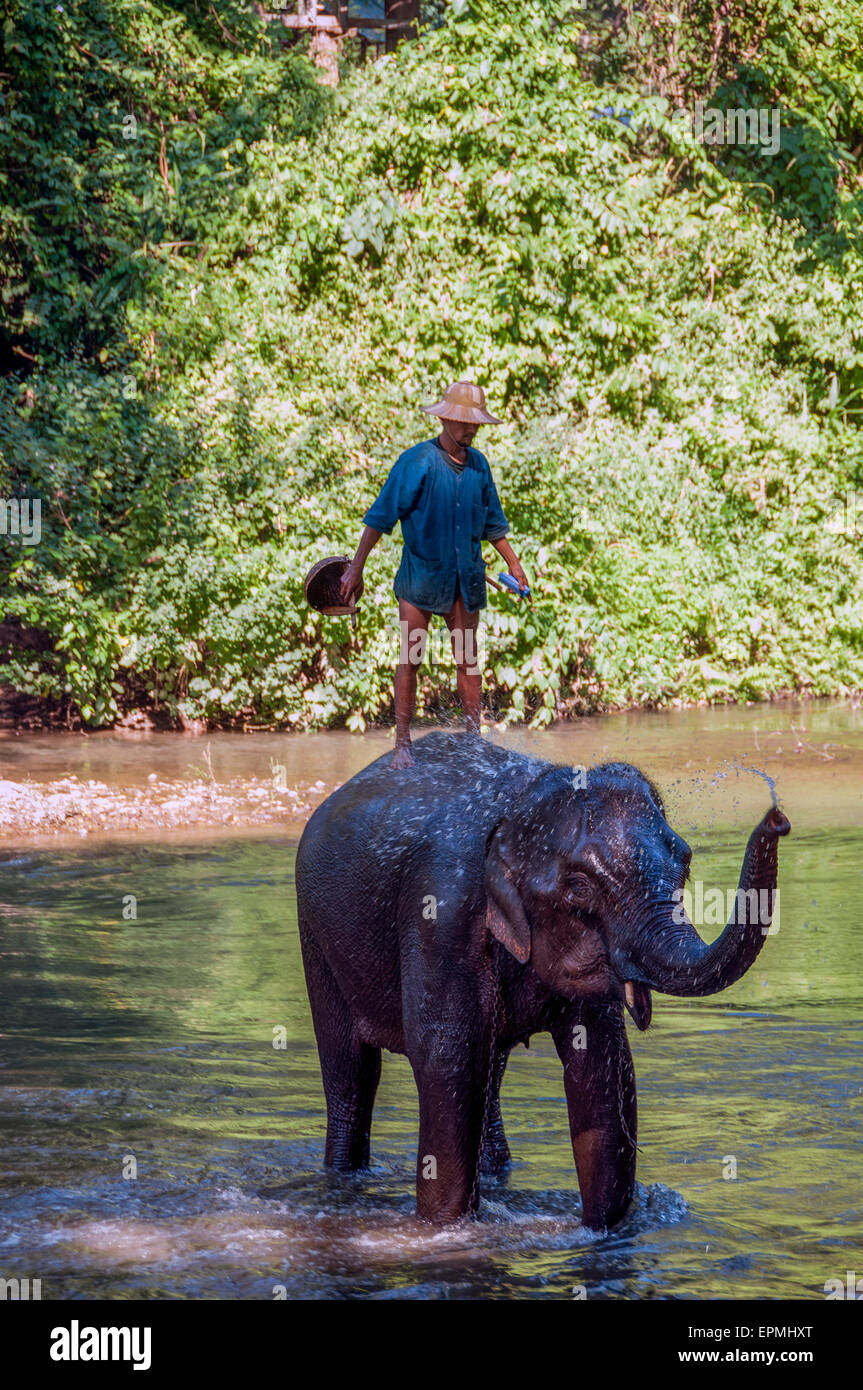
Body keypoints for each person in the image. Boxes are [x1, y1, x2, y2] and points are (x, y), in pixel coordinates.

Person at [340, 380, 529, 769]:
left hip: (465, 579)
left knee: (467, 660)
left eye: (474, 423)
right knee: (410, 658)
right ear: (444, 418)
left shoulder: (478, 466)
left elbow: (493, 523)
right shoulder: (418, 462)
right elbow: (379, 518)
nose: (469, 429)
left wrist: (513, 563)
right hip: (421, 580)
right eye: (462, 422)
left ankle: (474, 740)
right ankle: (403, 743)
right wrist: (356, 567)